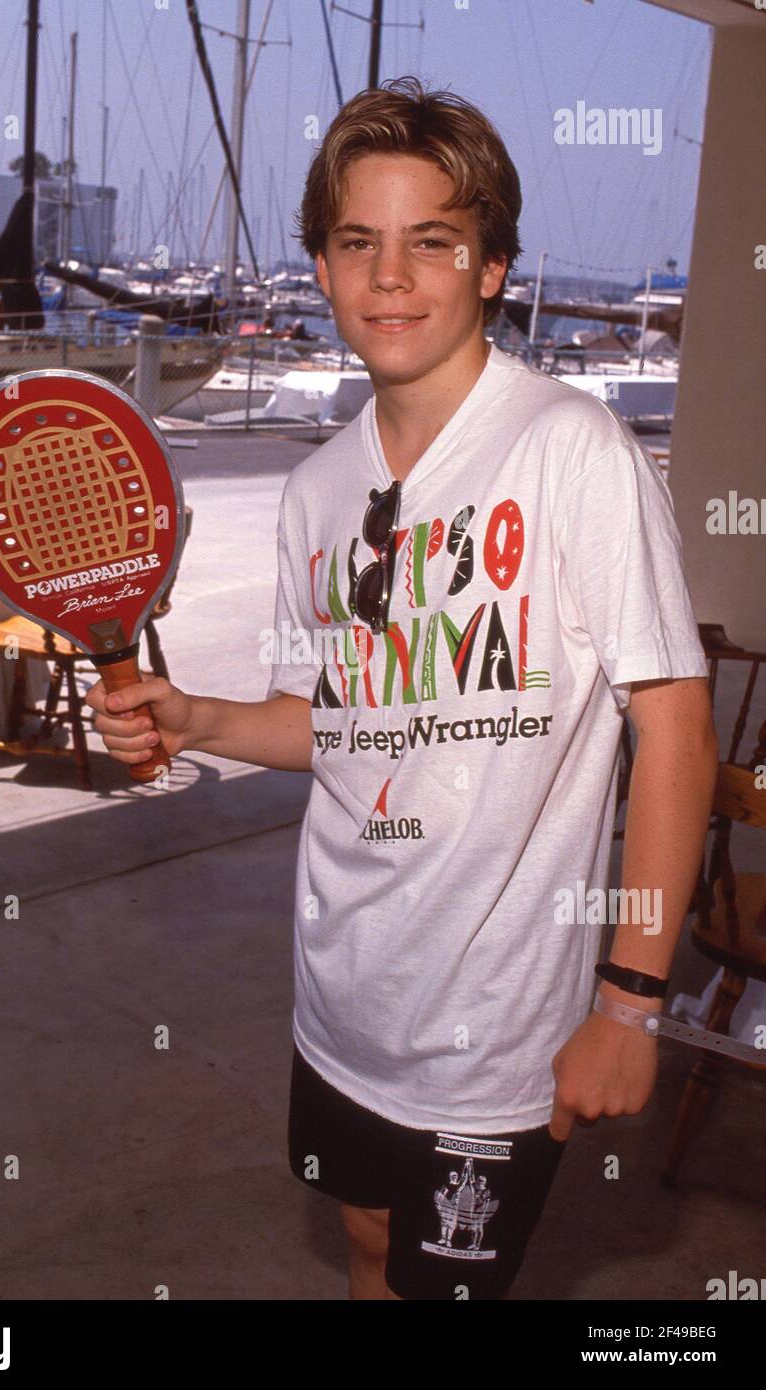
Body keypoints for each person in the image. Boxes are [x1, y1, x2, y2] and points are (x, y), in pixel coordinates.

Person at [85, 76, 718, 1300]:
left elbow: (673, 723)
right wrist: (200, 715)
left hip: (496, 1030)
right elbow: (337, 720)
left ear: (489, 267)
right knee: (371, 1237)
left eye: (431, 241)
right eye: (357, 243)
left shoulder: (568, 450)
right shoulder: (318, 490)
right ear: (318, 267)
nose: (390, 278)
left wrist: (631, 999)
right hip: (340, 999)